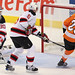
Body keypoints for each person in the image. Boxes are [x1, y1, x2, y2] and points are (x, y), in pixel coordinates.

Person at [5, 2, 49, 72]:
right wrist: (27, 28)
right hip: (19, 34)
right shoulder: (28, 14)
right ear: (33, 8)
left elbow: (32, 28)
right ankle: (29, 66)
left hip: (14, 34)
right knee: (31, 48)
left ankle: (9, 64)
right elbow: (23, 21)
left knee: (19, 50)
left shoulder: (32, 16)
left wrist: (41, 35)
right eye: (36, 8)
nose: (36, 9)